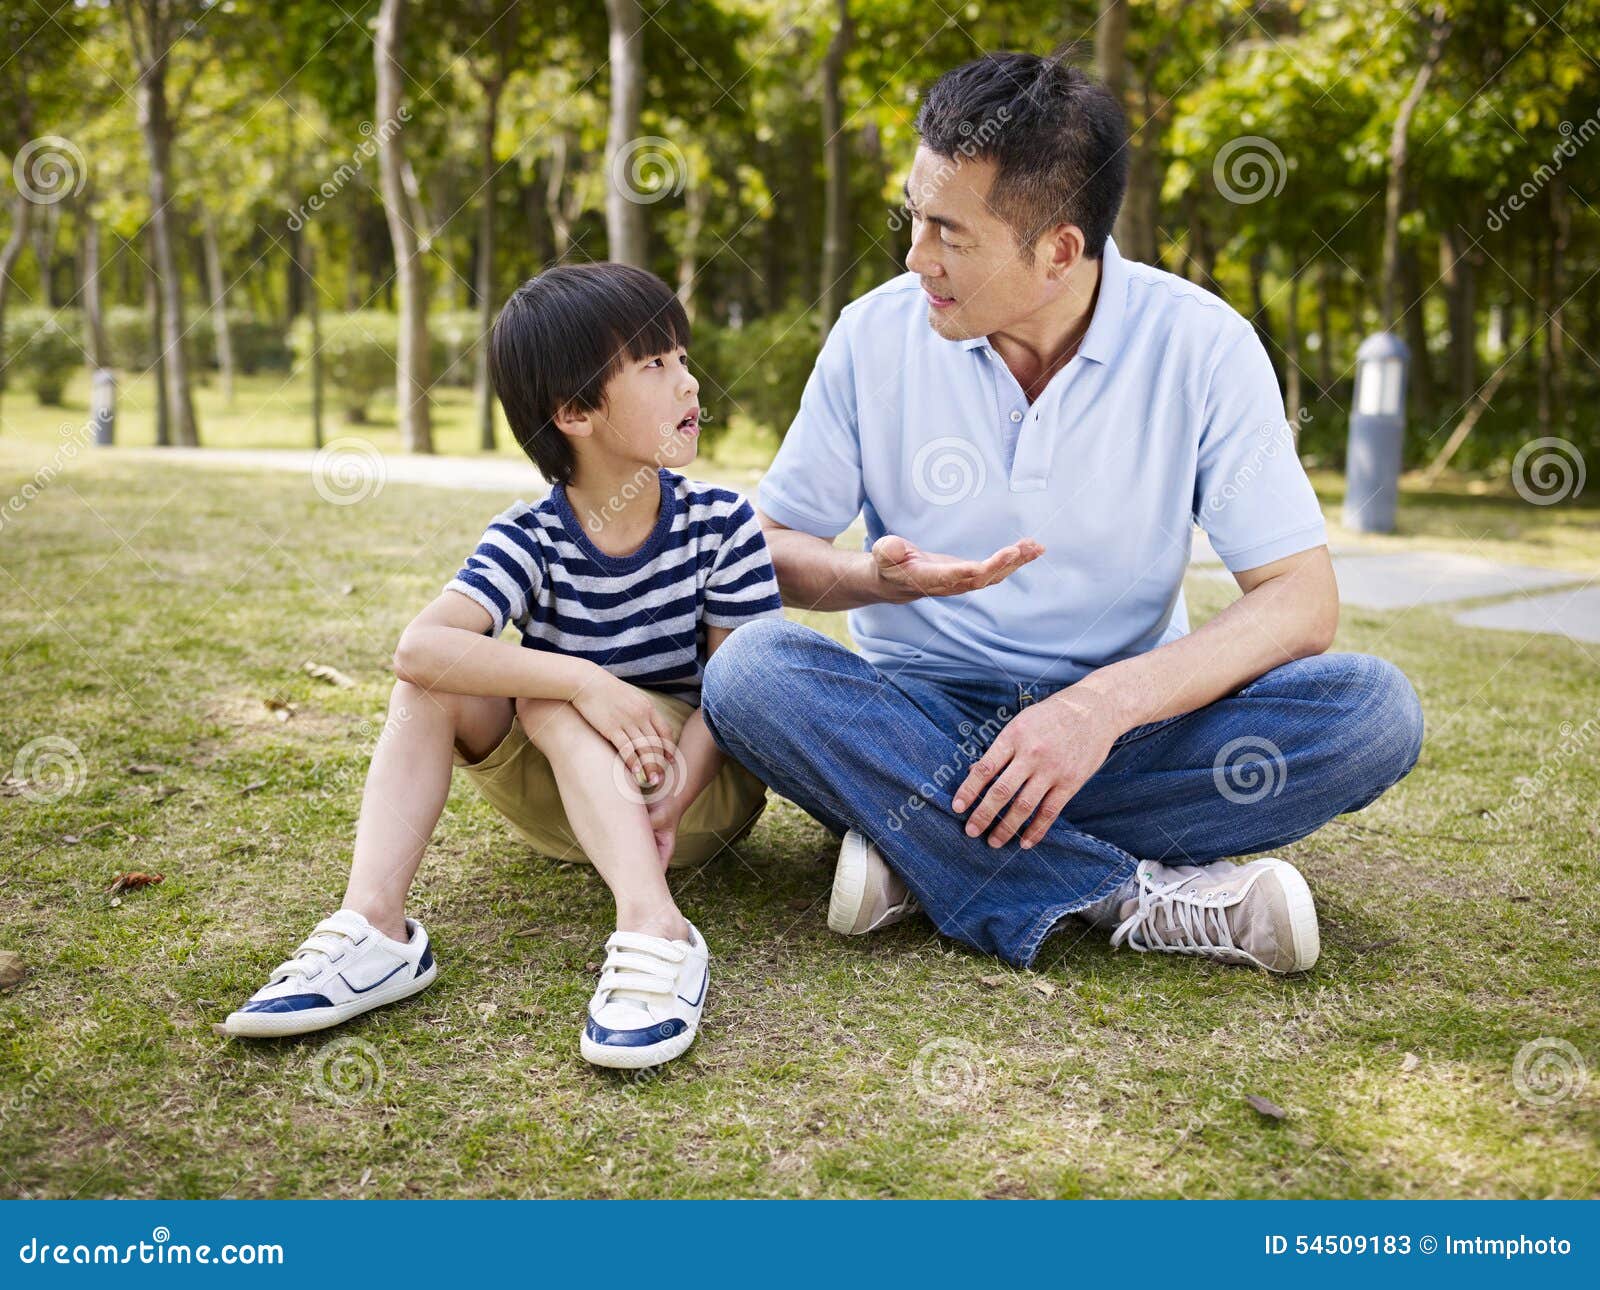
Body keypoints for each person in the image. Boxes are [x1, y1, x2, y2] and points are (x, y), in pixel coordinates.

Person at [700, 52, 1424, 974]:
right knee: (752, 673)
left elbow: (1299, 600)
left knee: (1372, 713)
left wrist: (1097, 710)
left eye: (948, 233)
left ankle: (921, 847)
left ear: (1059, 251)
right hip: (922, 711)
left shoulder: (1202, 346)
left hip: (1127, 727)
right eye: (914, 216)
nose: (915, 256)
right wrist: (868, 580)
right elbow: (775, 547)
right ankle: (1124, 894)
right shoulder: (873, 334)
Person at [224, 263, 783, 1070]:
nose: (690, 382)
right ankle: (375, 927)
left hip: (691, 794)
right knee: (472, 687)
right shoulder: (529, 534)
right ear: (575, 412)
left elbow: (739, 690)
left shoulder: (720, 521)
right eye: (655, 365)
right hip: (569, 804)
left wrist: (671, 794)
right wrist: (583, 680)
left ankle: (654, 924)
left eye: (683, 358)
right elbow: (419, 648)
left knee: (541, 691)